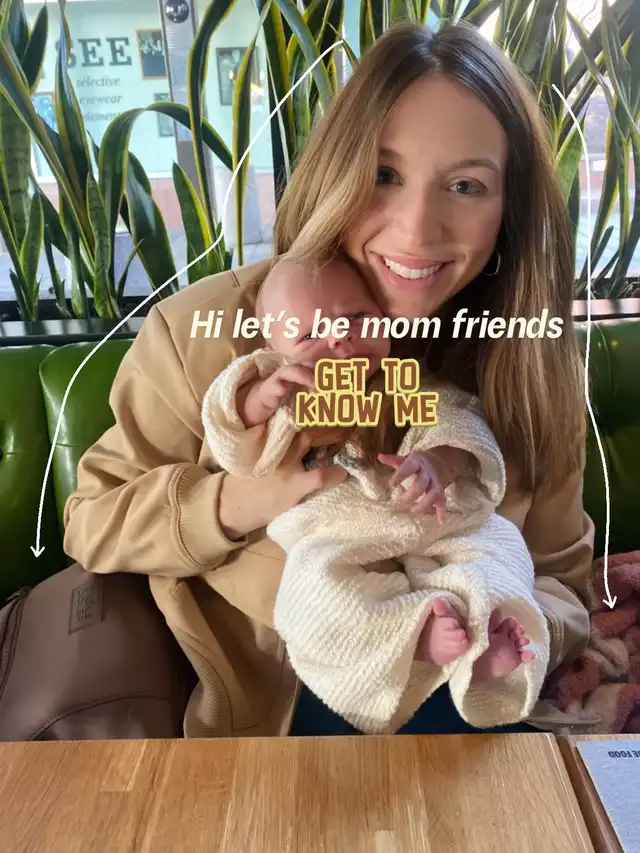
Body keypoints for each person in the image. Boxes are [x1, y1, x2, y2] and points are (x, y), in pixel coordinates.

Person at [62, 21, 593, 739]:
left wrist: (511, 625)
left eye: (466, 185)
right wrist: (246, 498)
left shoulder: (528, 358)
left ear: (510, 212)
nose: (417, 229)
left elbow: (562, 577)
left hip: (477, 701)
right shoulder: (206, 332)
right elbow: (91, 520)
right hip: (283, 715)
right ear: (336, 172)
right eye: (384, 174)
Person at [202, 255, 548, 734]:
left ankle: (482, 644)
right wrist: (257, 400)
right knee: (311, 603)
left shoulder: (404, 382)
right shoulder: (284, 394)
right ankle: (415, 637)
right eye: (310, 334)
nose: (339, 338)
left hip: (436, 520)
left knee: (500, 550)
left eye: (357, 317)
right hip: (341, 536)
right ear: (273, 348)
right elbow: (231, 444)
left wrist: (437, 464)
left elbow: (460, 425)